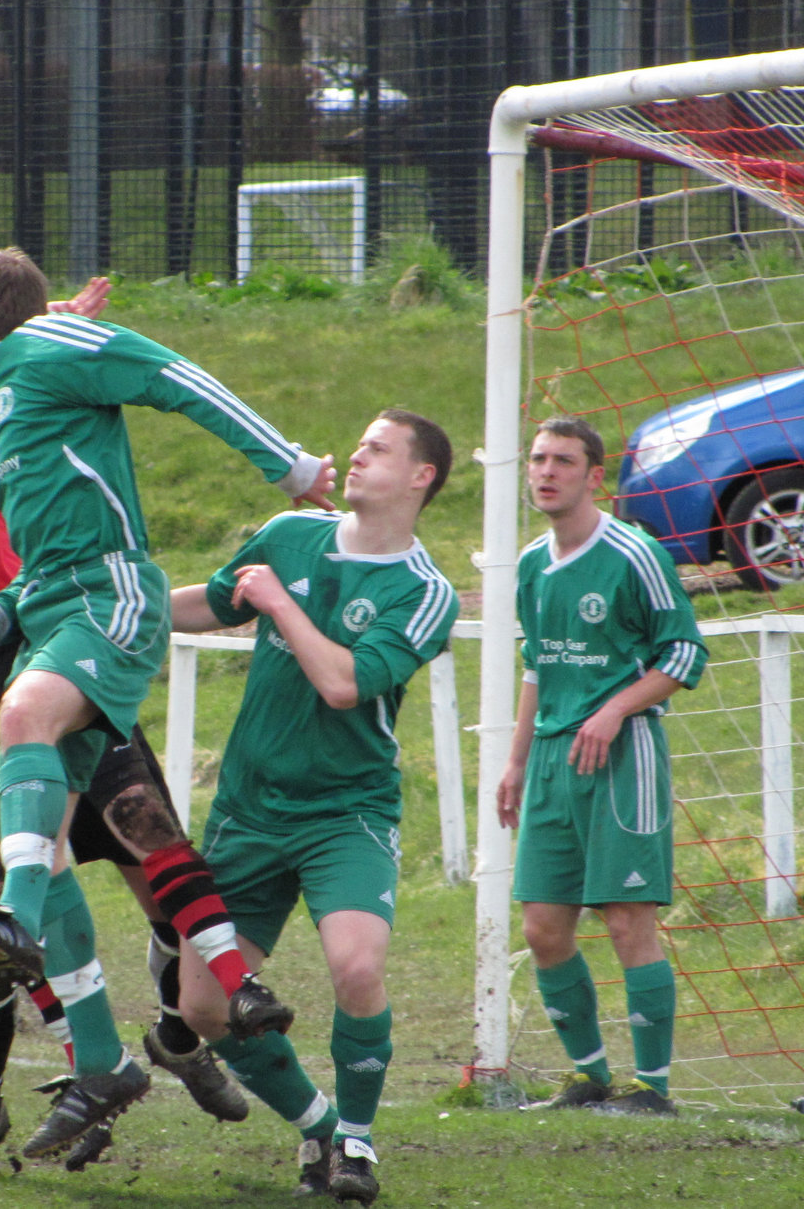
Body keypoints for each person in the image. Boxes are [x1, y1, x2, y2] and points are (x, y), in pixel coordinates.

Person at [0, 247, 337, 1160]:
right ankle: (105, 1060)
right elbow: (40, 532)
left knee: (22, 719)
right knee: (49, 845)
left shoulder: (43, 348)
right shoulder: (0, 401)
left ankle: (19, 926)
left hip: (109, 596)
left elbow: (173, 375)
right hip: (53, 607)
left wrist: (287, 464)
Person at [0, 300, 248, 1180]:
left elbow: (25, 363)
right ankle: (0, 1105)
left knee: (155, 859)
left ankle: (181, 1037)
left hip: (57, 644)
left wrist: (47, 320)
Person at [172, 410, 459, 1207]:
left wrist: (279, 604)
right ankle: (320, 1125)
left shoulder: (425, 592)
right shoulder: (290, 534)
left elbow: (343, 684)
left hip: (346, 810)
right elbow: (213, 603)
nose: (355, 455)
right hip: (249, 809)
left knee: (358, 967)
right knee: (203, 1005)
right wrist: (121, 603)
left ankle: (358, 1141)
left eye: (377, 448)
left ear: (421, 476)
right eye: (358, 442)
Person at [496, 417, 706, 1118]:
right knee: (542, 927)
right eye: (538, 459)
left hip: (623, 757)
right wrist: (516, 760)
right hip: (551, 759)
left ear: (594, 476)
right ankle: (588, 1077)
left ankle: (652, 1088)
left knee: (625, 921)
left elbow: (684, 652)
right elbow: (536, 664)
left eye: (563, 460)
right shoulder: (531, 563)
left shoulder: (634, 554)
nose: (546, 471)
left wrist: (616, 708)